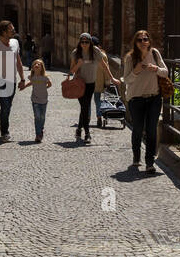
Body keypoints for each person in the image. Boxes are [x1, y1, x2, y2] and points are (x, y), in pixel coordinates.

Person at [121, 29, 169, 173]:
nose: (143, 42)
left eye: (145, 39)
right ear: (135, 42)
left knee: (151, 130)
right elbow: (126, 80)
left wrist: (156, 69)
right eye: (140, 40)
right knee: (137, 128)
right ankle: (136, 156)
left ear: (149, 41)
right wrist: (135, 71)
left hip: (154, 98)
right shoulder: (130, 58)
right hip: (136, 99)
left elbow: (165, 72)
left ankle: (150, 163)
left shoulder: (154, 53)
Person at [69, 32, 118, 144]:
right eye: (82, 42)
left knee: (84, 107)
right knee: (85, 106)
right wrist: (78, 64)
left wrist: (112, 78)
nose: (84, 44)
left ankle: (79, 129)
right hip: (79, 84)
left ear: (90, 42)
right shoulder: (76, 53)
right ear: (80, 42)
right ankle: (87, 133)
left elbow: (104, 65)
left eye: (87, 42)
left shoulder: (95, 52)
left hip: (91, 84)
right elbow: (71, 71)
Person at [0, 20, 27, 142]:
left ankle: (4, 128)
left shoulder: (15, 42)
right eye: (11, 29)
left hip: (12, 80)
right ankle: (4, 132)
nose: (14, 31)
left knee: (8, 107)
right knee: (5, 106)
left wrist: (22, 79)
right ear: (3, 32)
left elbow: (19, 62)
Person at [28, 59, 51, 142]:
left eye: (39, 64)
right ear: (33, 68)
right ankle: (38, 135)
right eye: (35, 64)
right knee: (37, 117)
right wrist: (24, 86)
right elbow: (31, 82)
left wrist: (44, 88)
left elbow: (49, 84)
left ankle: (41, 129)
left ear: (42, 67)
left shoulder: (45, 77)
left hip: (44, 99)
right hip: (35, 99)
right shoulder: (32, 77)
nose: (37, 65)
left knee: (42, 117)